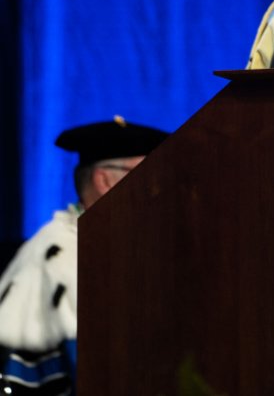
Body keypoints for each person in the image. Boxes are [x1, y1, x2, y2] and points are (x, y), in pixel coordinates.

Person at [0, 117, 168, 394]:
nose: (157, 188)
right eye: (147, 174)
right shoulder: (60, 256)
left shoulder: (131, 247)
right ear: (105, 180)